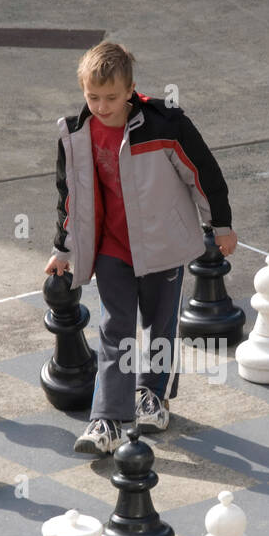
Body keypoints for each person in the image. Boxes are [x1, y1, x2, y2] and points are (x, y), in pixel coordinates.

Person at [46, 41, 237, 455]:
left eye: (111, 97)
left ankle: (153, 395)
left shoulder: (165, 125)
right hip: (112, 249)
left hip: (161, 246)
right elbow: (69, 197)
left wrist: (220, 224)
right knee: (115, 329)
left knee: (158, 324)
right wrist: (63, 249)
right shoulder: (76, 135)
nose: (101, 106)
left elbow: (203, 172)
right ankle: (108, 419)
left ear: (131, 90)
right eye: (92, 97)